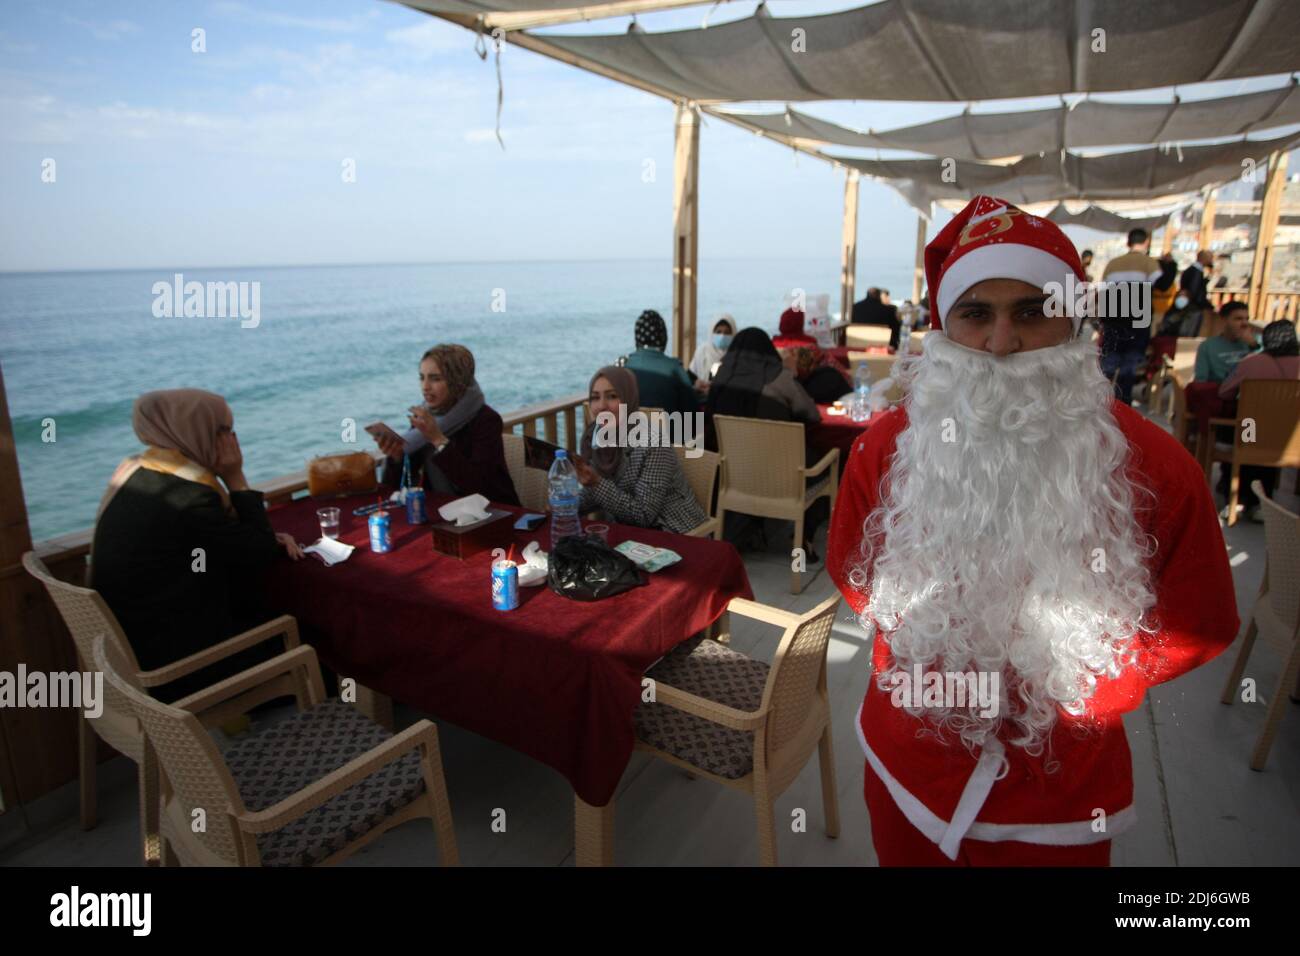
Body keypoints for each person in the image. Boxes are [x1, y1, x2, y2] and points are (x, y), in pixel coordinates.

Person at [827, 195, 1237, 866]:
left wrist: (1089, 672)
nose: (1000, 344)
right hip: (910, 767)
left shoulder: (1162, 469)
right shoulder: (885, 449)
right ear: (944, 326)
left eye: (1031, 312)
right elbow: (855, 573)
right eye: (976, 314)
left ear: (1073, 320)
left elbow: (1203, 622)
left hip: (1059, 796)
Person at [91, 389, 304, 702]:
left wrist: (255, 538)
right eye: (224, 431)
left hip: (129, 655)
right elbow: (258, 554)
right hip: (177, 669)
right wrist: (236, 477)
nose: (233, 440)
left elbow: (219, 542)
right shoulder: (189, 496)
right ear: (197, 432)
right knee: (310, 628)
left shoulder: (137, 471)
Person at [373, 343, 519, 506]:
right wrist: (397, 457)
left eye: (435, 378)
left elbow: (480, 485)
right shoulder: (425, 416)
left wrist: (438, 439)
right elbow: (397, 487)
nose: (425, 387)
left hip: (492, 513)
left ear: (457, 381)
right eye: (422, 377)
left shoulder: (486, 420)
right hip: (440, 511)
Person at [572, 366, 707, 534]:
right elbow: (594, 492)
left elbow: (643, 515)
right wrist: (565, 504)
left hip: (672, 530)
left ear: (629, 399)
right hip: (627, 531)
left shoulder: (653, 443)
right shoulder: (595, 438)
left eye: (612, 396)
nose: (601, 406)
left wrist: (596, 482)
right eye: (595, 398)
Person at [1215, 319, 1300, 519]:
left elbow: (1225, 392)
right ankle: (1262, 504)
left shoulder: (1251, 362)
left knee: (1240, 435)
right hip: (1289, 437)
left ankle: (1236, 500)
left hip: (1251, 430)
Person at [1099, 227, 1177, 404]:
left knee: (1109, 363)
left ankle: (1100, 400)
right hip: (1136, 317)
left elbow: (1104, 292)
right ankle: (1123, 403)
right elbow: (1163, 285)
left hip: (1113, 318)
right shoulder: (1148, 263)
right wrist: (1170, 265)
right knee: (1130, 364)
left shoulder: (1113, 263)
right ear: (1146, 243)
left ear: (1128, 242)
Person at [622, 309, 698, 416]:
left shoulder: (621, 367)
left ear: (637, 337)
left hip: (627, 431)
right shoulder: (674, 369)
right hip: (667, 432)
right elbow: (693, 417)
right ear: (663, 336)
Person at [772, 307, 852, 402]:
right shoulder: (810, 346)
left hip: (782, 394)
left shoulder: (773, 345)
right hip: (812, 395)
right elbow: (833, 365)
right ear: (800, 323)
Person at [1194, 301, 1259, 384]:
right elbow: (1200, 381)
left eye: (1247, 319)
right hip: (1221, 391)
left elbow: (1264, 371)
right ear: (1224, 320)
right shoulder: (1207, 346)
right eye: (1238, 319)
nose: (1245, 323)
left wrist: (1253, 345)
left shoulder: (1256, 341)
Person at [688, 314, 735, 390]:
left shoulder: (736, 355)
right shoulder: (703, 351)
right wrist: (697, 383)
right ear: (712, 333)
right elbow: (690, 377)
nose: (722, 335)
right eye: (718, 332)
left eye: (727, 332)